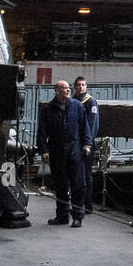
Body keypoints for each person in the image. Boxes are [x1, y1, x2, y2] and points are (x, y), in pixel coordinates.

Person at [38, 80, 92, 227]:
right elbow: (42, 132)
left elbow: (84, 126)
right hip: (57, 153)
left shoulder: (77, 106)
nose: (68, 91)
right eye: (64, 88)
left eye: (68, 88)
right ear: (56, 90)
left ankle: (77, 217)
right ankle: (62, 216)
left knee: (78, 186)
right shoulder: (48, 109)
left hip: (75, 152)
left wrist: (87, 144)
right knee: (60, 186)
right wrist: (44, 151)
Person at [74, 76, 100, 215]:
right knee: (75, 175)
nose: (80, 87)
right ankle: (77, 204)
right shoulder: (72, 101)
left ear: (86, 86)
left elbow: (92, 125)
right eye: (78, 85)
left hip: (85, 145)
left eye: (83, 85)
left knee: (86, 175)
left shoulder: (90, 102)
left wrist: (87, 143)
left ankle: (88, 205)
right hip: (74, 144)